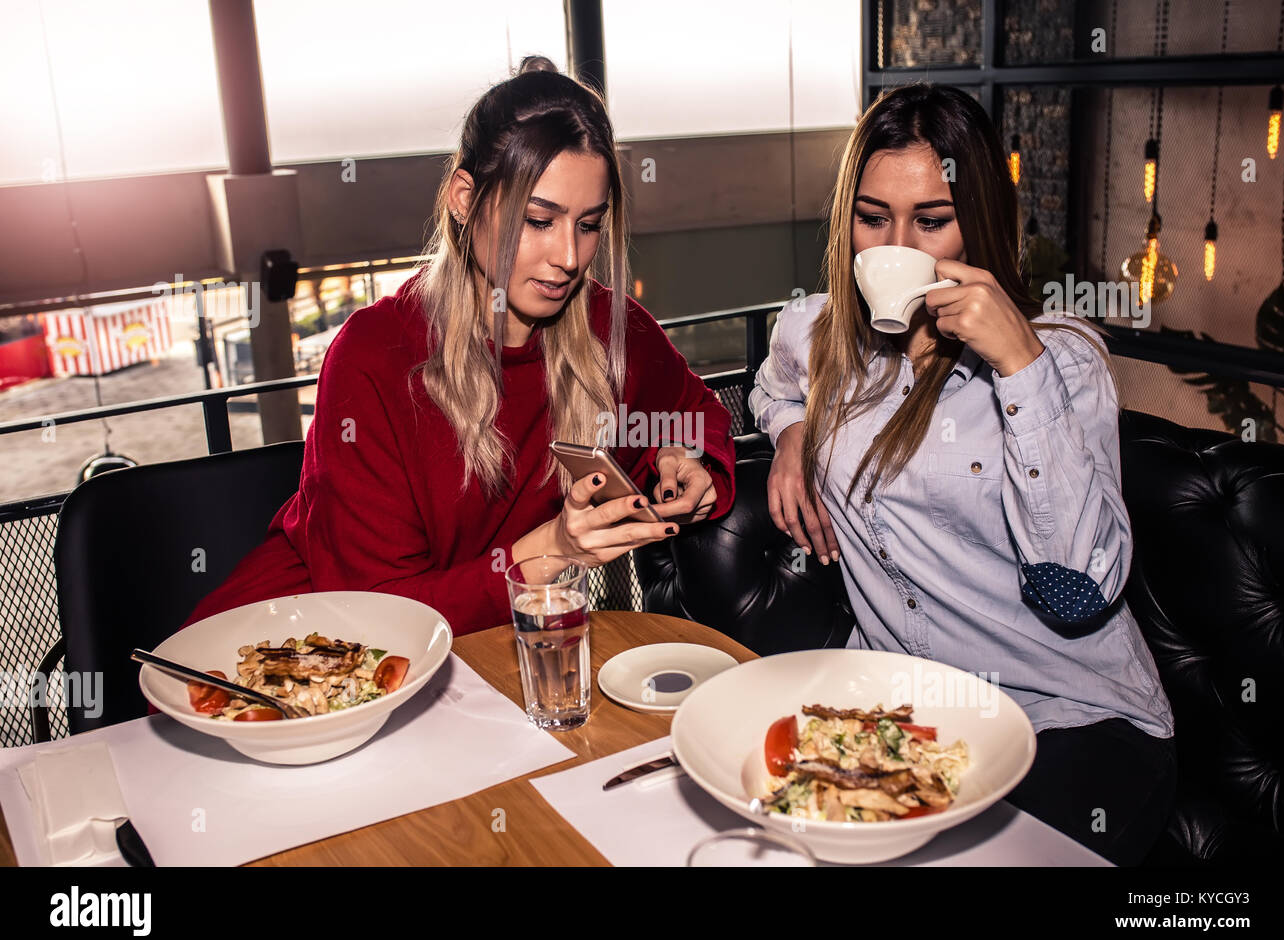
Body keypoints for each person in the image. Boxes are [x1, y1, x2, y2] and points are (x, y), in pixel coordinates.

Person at [749, 83, 1174, 865]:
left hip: (1066, 716)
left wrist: (1018, 365)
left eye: (932, 221)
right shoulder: (818, 332)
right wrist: (791, 433)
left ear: (978, 221)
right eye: (872, 218)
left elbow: (1078, 589)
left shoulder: (1062, 363)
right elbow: (773, 387)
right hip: (908, 709)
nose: (894, 248)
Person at [181, 58, 736, 637]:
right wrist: (550, 551)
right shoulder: (375, 356)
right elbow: (378, 618)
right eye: (538, 220)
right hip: (292, 654)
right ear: (464, 198)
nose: (569, 256)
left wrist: (686, 462)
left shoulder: (611, 327)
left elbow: (695, 414)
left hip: (475, 659)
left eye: (589, 224)